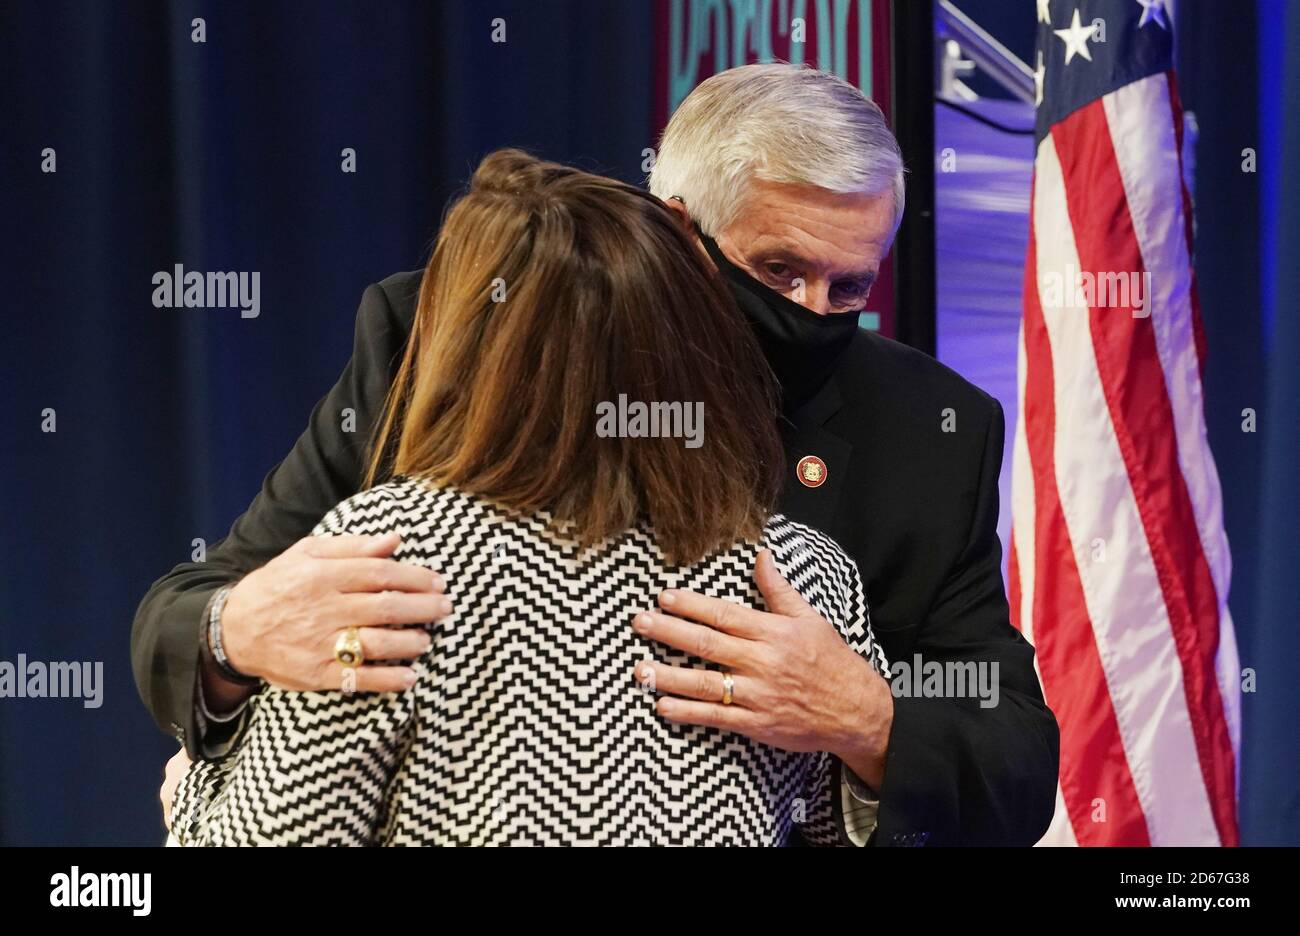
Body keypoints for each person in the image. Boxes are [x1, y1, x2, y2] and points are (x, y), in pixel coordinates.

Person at [136, 63, 1059, 847]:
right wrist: (235, 633)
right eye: (779, 272)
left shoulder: (929, 434)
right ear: (675, 231)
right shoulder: (444, 336)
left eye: (851, 285)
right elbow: (194, 611)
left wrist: (869, 723)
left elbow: (1014, 762)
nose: (815, 313)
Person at [165, 148, 887, 846]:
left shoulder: (390, 553)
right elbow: (853, 825)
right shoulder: (804, 571)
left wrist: (194, 786)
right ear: (695, 335)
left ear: (470, 340)